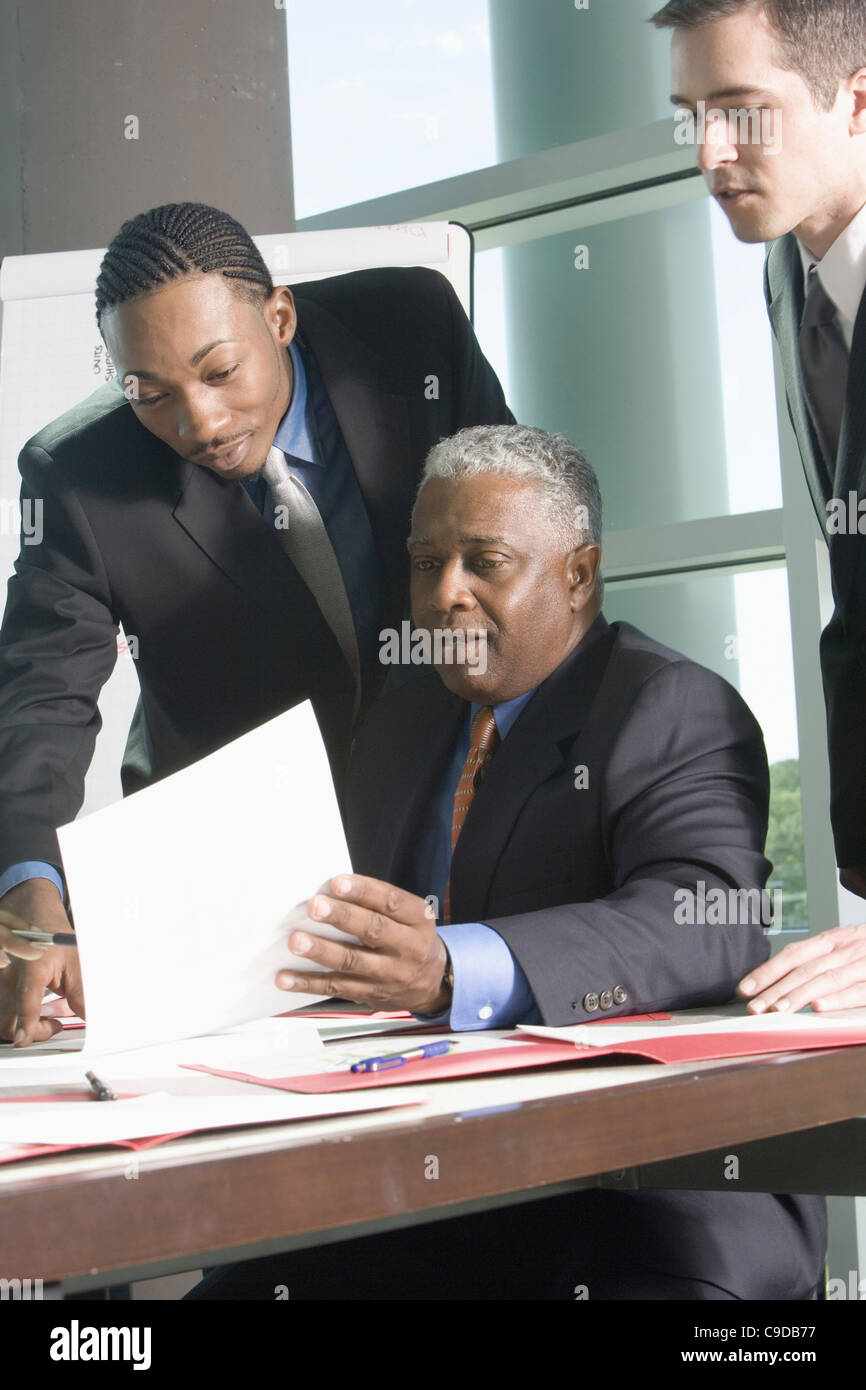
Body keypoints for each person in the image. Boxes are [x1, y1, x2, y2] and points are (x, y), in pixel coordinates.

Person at [190, 424, 826, 1300]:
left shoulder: (668, 703)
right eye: (424, 564)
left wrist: (455, 966)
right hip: (431, 1179)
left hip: (641, 1192)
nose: (444, 594)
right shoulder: (401, 725)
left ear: (578, 574)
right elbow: (318, 917)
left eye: (484, 561)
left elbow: (704, 915)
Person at [0, 201, 511, 1046]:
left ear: (278, 316)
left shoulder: (410, 330)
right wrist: (27, 883)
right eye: (150, 393)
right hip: (232, 876)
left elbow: (519, 526)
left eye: (221, 371)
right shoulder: (77, 475)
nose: (197, 422)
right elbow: (40, 702)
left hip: (444, 811)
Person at [652, 0, 866, 1013]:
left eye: (740, 111)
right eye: (690, 113)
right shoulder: (790, 267)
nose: (707, 153)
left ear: (855, 99)